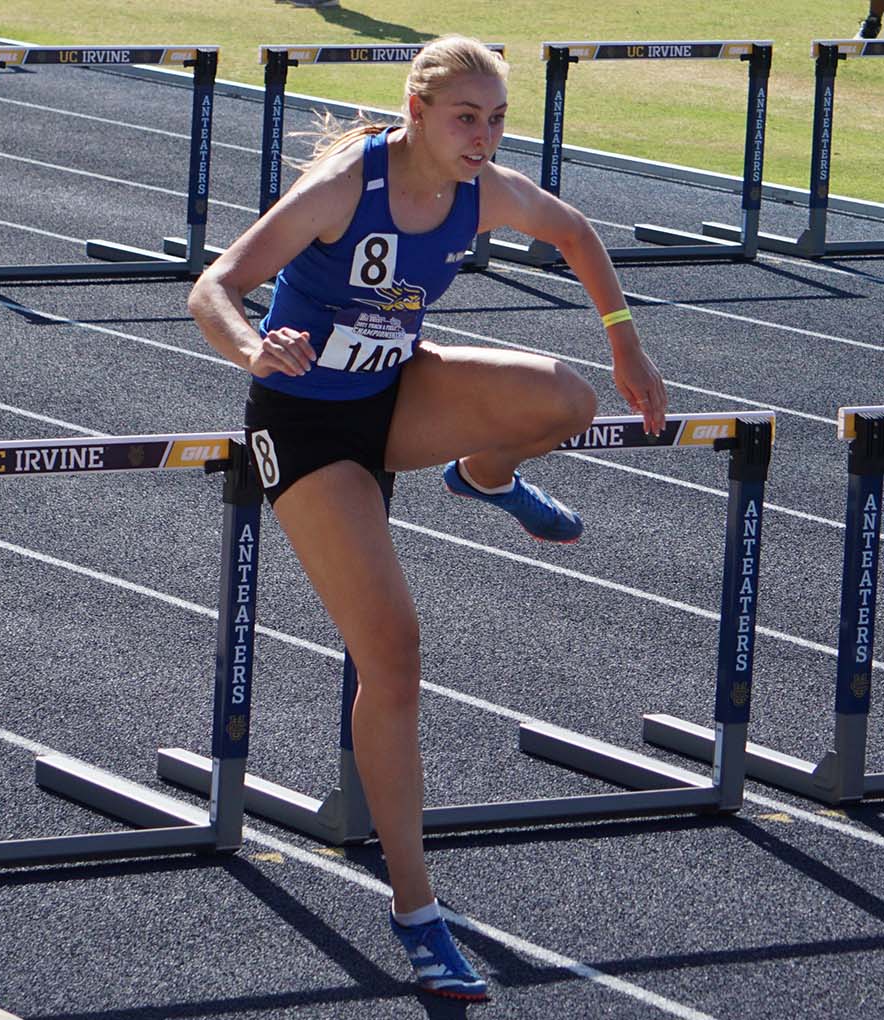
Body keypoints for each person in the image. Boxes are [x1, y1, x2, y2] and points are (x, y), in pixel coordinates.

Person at [186, 36, 667, 1002]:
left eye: (496, 120)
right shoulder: (341, 188)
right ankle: (417, 911)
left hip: (396, 394)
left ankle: (484, 477)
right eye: (466, 118)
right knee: (395, 651)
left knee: (568, 399)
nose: (484, 138)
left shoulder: (483, 187)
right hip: (308, 426)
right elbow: (213, 285)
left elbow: (578, 234)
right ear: (416, 111)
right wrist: (251, 348)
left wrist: (628, 351)